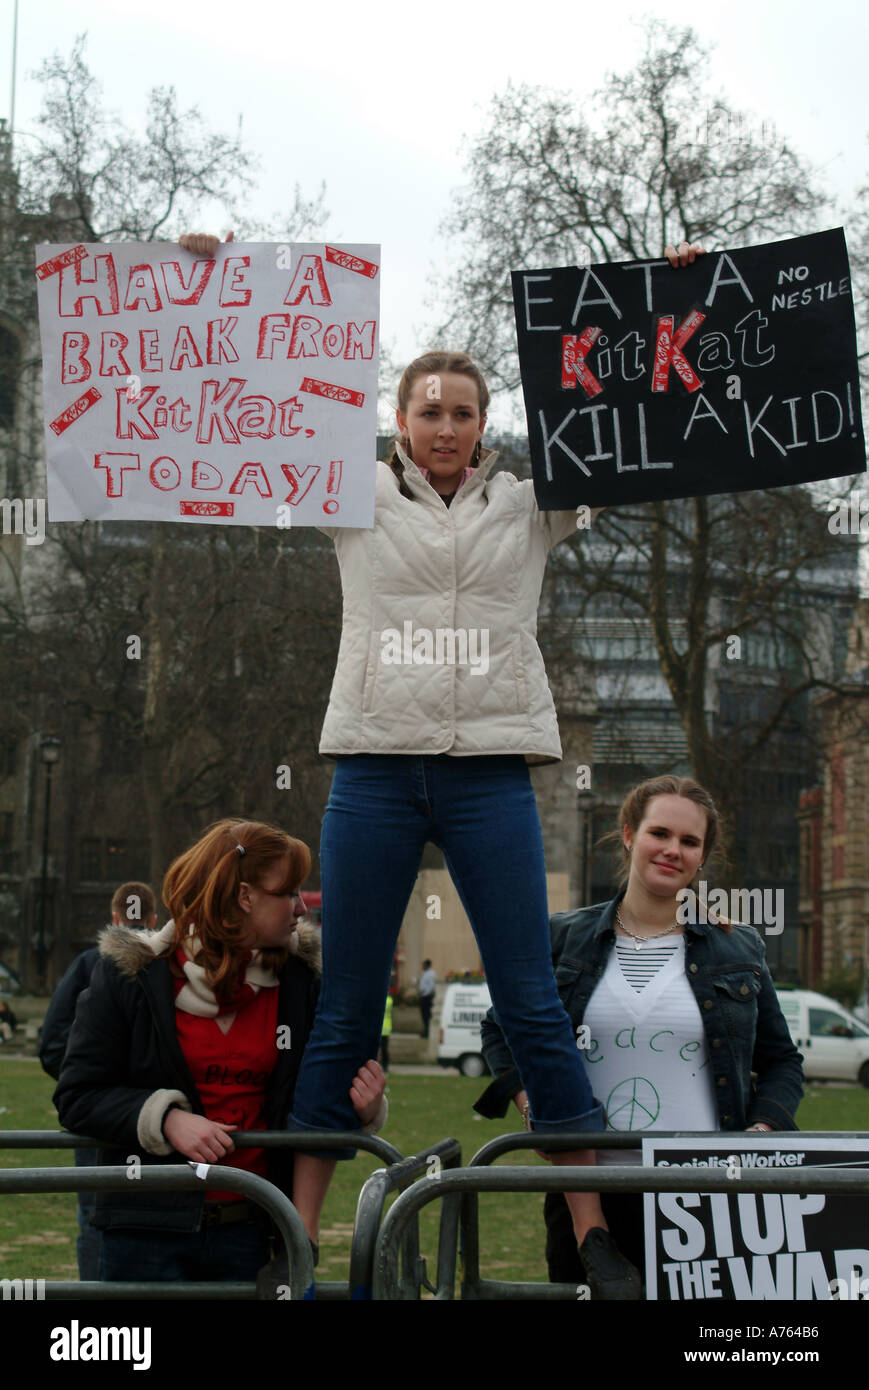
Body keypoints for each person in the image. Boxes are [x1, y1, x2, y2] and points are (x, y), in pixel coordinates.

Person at [175, 233, 702, 1299]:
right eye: (429, 409)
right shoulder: (349, 493)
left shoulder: (531, 504)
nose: (448, 427)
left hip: (489, 774)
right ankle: (302, 1241)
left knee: (530, 1002)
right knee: (345, 1005)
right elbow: (255, 402)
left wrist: (668, 293)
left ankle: (593, 1231)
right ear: (401, 419)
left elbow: (632, 421)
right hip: (373, 766)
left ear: (483, 422)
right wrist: (215, 283)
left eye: (465, 410)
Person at [474, 775, 804, 1292]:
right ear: (629, 834)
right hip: (586, 1198)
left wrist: (761, 1132)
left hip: (704, 1201)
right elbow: (500, 1026)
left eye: (689, 842)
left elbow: (783, 1061)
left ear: (702, 857)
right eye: (660, 833)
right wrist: (529, 1104)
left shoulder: (738, 948)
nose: (673, 850)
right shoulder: (563, 937)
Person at [53, 819, 385, 1283]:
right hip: (144, 1232)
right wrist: (165, 1119)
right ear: (245, 897)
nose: (299, 909)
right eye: (286, 893)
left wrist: (364, 1107)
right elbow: (77, 1096)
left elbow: (314, 1098)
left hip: (251, 1232)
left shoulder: (300, 983)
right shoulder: (130, 978)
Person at [39, 881, 158, 1280]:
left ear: (114, 918)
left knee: (95, 1214)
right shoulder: (167, 966)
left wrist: (93, 1084)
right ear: (153, 919)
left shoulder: (90, 964)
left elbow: (53, 1042)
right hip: (154, 1115)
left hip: (104, 1116)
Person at [418, 959, 436, 1039]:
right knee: (423, 1015)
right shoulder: (425, 973)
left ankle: (427, 1032)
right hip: (423, 996)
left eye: (423, 965)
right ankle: (425, 1031)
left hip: (427, 997)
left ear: (427, 965)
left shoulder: (431, 974)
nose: (422, 966)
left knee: (426, 1015)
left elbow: (431, 986)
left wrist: (425, 994)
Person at [379, 991, 393, 1073]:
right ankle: (385, 1066)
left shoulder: (387, 1000)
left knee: (382, 1050)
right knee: (384, 1050)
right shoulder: (390, 1000)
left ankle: (384, 1066)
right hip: (386, 1029)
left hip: (383, 1029)